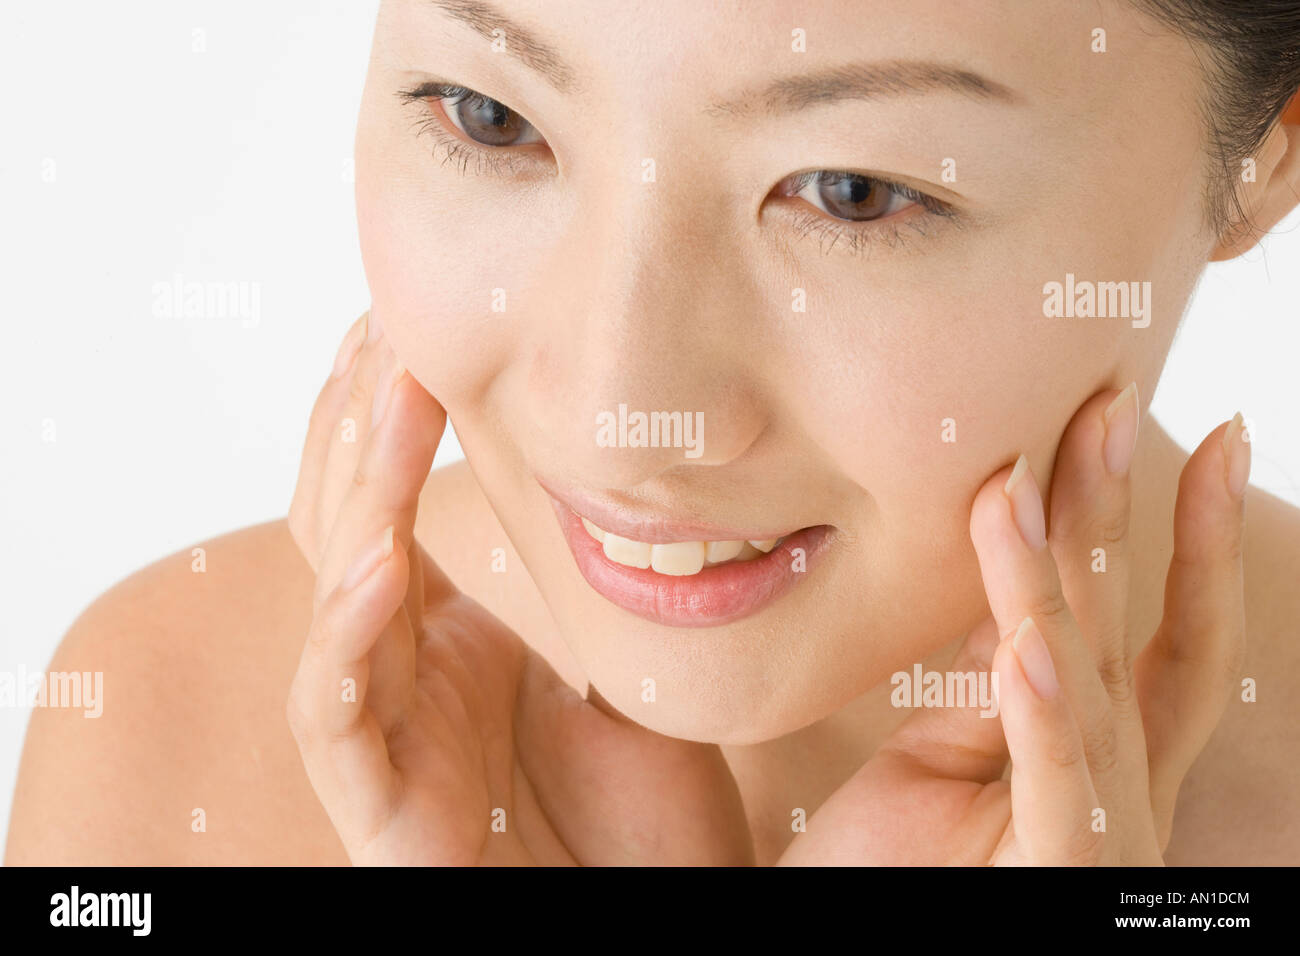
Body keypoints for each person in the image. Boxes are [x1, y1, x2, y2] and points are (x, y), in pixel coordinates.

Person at [8, 0, 1300, 865]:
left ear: (1270, 154)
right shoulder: (163, 720)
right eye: (489, 118)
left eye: (855, 195)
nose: (618, 417)